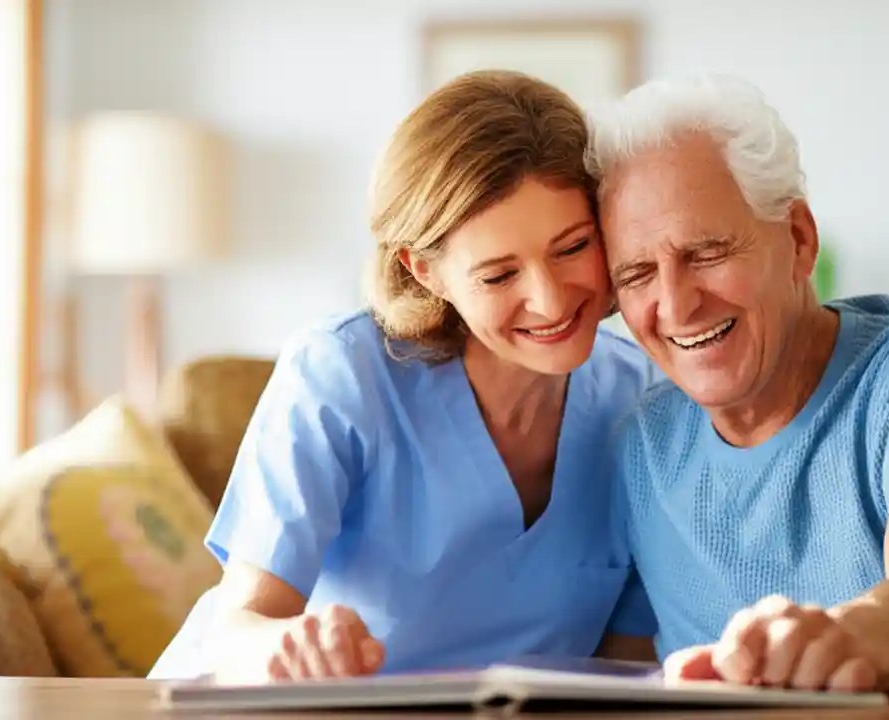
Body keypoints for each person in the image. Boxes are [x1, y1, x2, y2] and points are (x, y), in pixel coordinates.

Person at [148, 70, 660, 684]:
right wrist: (293, 648)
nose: (550, 301)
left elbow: (625, 662)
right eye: (499, 275)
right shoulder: (342, 374)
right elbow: (237, 629)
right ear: (426, 272)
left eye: (573, 247)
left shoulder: (643, 401)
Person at [586, 74, 889, 691]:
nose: (677, 307)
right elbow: (620, 666)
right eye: (637, 274)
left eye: (706, 253)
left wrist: (845, 638)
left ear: (798, 240)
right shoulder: (641, 443)